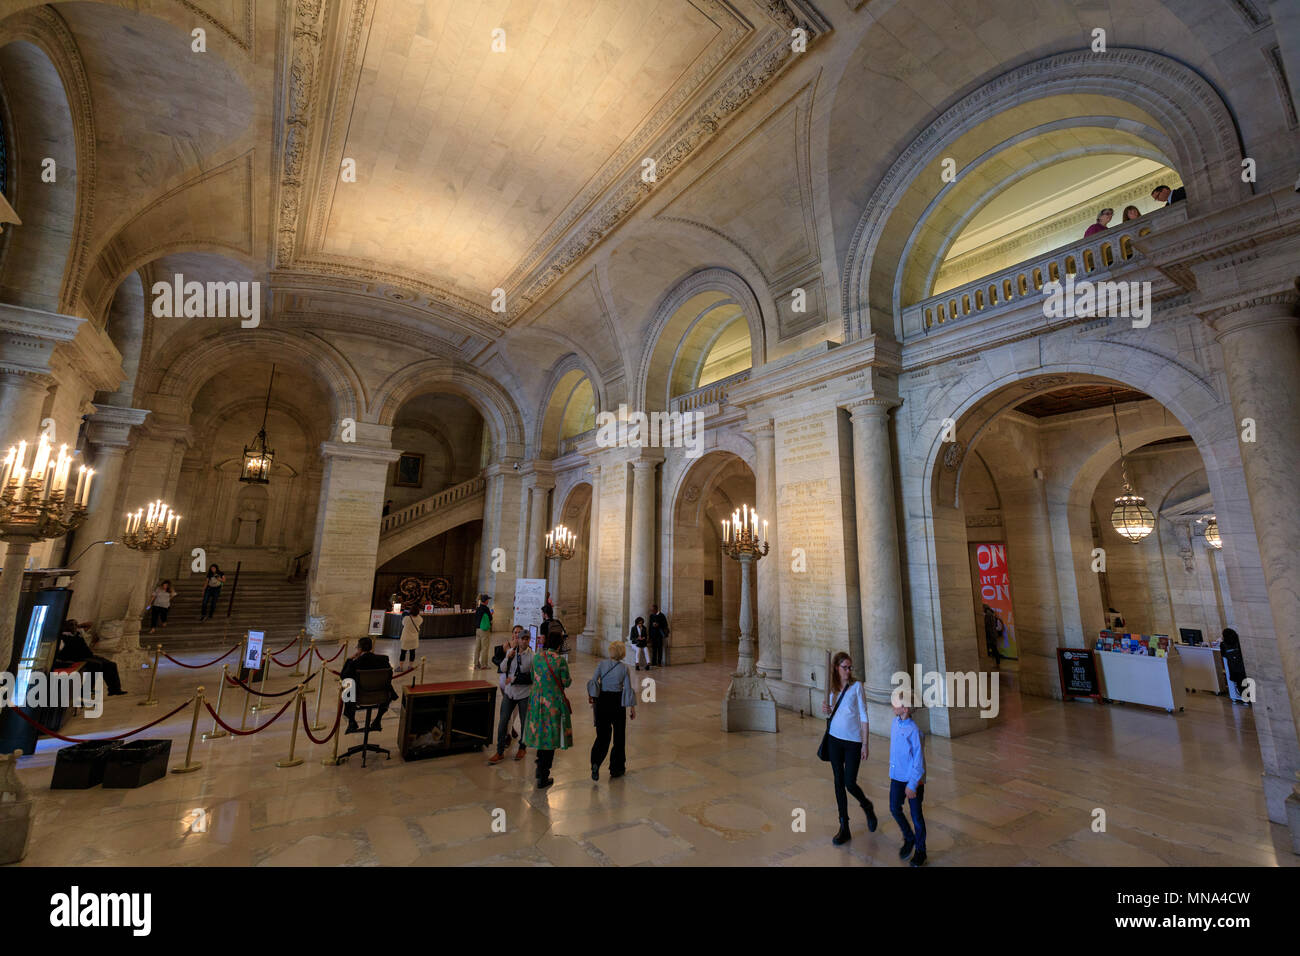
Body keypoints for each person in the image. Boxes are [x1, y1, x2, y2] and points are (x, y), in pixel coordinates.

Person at [822, 652, 877, 846]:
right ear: (837, 668)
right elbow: (830, 713)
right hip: (834, 739)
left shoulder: (857, 687)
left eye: (850, 667)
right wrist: (826, 710)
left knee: (849, 782)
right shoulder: (831, 687)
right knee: (838, 782)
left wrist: (865, 743)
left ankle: (867, 805)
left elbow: (863, 715)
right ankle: (844, 826)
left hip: (853, 741)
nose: (848, 671)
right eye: (845, 667)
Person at [522, 629, 571, 789]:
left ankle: (538, 764)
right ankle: (543, 775)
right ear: (559, 644)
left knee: (540, 732)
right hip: (552, 704)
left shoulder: (537, 657)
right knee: (550, 736)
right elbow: (566, 682)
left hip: (537, 701)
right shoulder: (560, 661)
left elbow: (532, 677)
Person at [587, 640, 636, 781]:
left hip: (602, 701)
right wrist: (632, 707)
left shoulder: (602, 664)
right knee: (619, 736)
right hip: (617, 702)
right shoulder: (624, 668)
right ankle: (616, 768)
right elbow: (627, 688)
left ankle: (595, 763)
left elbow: (594, 681)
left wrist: (593, 697)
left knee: (602, 736)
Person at [889, 692, 927, 867]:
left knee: (916, 816)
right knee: (894, 808)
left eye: (895, 703)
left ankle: (920, 851)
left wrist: (912, 784)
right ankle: (909, 837)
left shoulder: (914, 731)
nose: (892, 705)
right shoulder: (895, 723)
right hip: (897, 777)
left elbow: (918, 761)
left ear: (904, 708)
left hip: (913, 780)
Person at [489, 626, 532, 764]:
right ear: (517, 639)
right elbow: (502, 668)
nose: (524, 641)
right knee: (503, 722)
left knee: (524, 722)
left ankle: (522, 747)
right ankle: (500, 751)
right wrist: (508, 658)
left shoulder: (532, 656)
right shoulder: (511, 652)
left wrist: (514, 679)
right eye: (522, 638)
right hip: (510, 693)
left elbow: (532, 677)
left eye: (526, 639)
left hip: (524, 693)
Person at [340, 636, 397, 734]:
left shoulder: (356, 663)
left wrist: (349, 660)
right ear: (371, 648)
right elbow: (389, 678)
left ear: (360, 649)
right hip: (381, 696)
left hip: (360, 697)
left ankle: (352, 721)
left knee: (347, 685)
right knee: (387, 685)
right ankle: (377, 720)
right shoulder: (384, 660)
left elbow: (343, 676)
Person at [55, 624, 126, 696]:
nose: (74, 627)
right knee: (96, 665)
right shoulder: (62, 637)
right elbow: (59, 652)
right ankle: (86, 690)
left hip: (88, 656)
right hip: (76, 658)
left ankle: (115, 689)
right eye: (72, 625)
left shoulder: (78, 633)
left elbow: (90, 624)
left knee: (111, 664)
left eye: (75, 625)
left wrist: (78, 625)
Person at [1220, 627, 1248, 704]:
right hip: (1243, 666)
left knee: (1239, 683)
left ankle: (1245, 699)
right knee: (1246, 682)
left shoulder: (1223, 644)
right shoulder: (1238, 641)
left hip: (1233, 668)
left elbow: (1223, 655)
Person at [473, 594, 493, 670]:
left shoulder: (478, 608)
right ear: (486, 601)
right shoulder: (486, 608)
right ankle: (484, 665)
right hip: (484, 630)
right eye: (488, 600)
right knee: (485, 648)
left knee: (477, 648)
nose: (488, 601)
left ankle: (476, 664)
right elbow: (491, 618)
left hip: (478, 630)